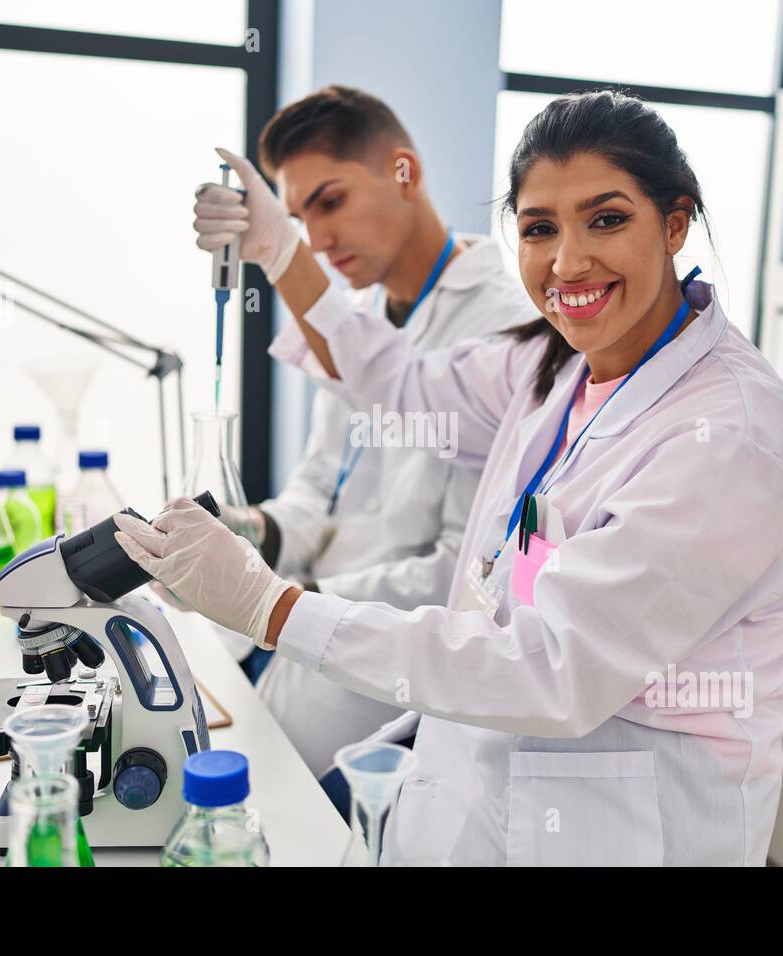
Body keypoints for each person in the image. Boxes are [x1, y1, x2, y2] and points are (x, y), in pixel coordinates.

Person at [118, 91, 783, 865]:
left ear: (674, 222)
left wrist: (274, 607)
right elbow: (399, 382)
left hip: (625, 830)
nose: (567, 261)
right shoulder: (552, 365)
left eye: (607, 218)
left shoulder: (729, 436)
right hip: (479, 780)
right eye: (538, 229)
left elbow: (549, 665)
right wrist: (278, 250)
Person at [183, 85, 533, 779]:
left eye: (331, 201)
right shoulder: (356, 313)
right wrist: (251, 532)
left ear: (404, 172)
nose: (317, 238)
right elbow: (320, 487)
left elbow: (465, 569)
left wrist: (298, 605)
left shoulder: (502, 327)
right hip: (290, 632)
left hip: (379, 670)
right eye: (298, 216)